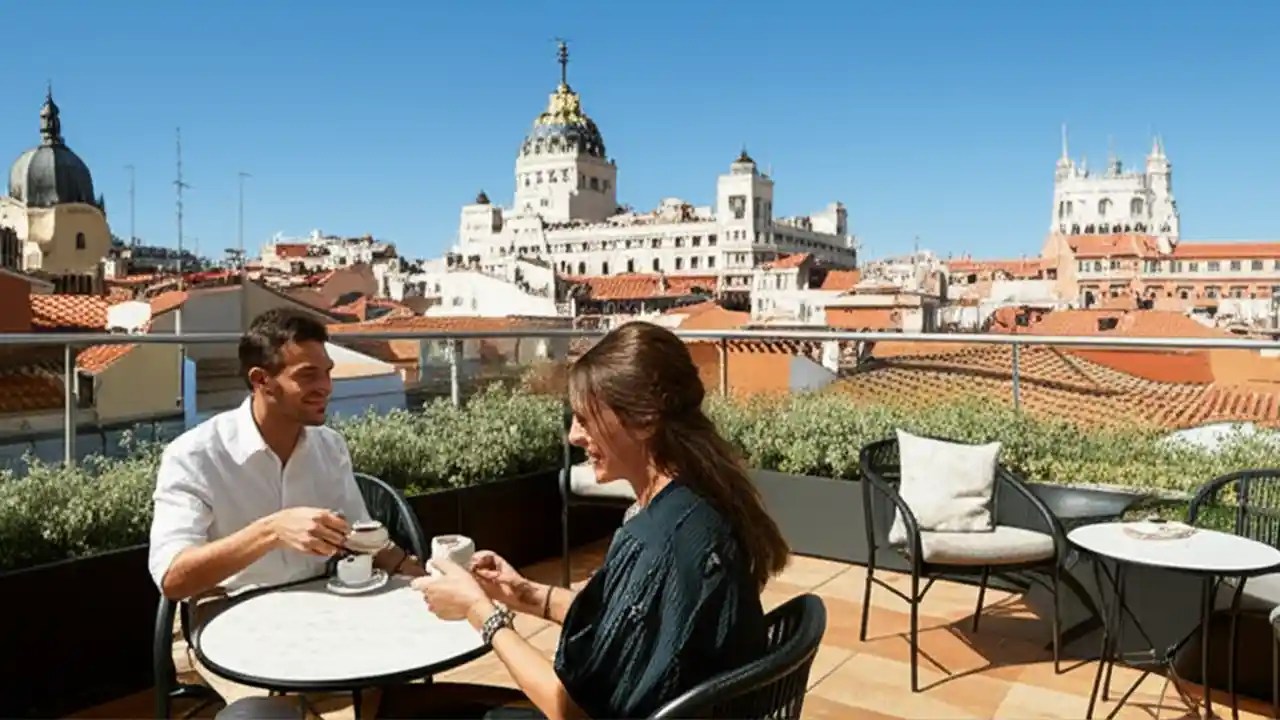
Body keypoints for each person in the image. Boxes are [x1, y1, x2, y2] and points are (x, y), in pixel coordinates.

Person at [393, 320, 791, 720]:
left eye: (584, 418)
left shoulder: (661, 545)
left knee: (401, 709)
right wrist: (521, 593)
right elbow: (627, 622)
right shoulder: (697, 504)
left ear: (646, 418)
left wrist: (479, 611)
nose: (573, 435)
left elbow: (571, 711)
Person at [148, 308, 426, 713]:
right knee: (269, 714)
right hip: (228, 612)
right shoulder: (195, 456)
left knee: (396, 677)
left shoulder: (329, 446)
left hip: (320, 604)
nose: (326, 387)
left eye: (328, 372)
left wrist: (414, 567)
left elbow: (358, 536)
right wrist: (271, 531)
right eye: (307, 376)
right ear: (262, 381)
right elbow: (174, 578)